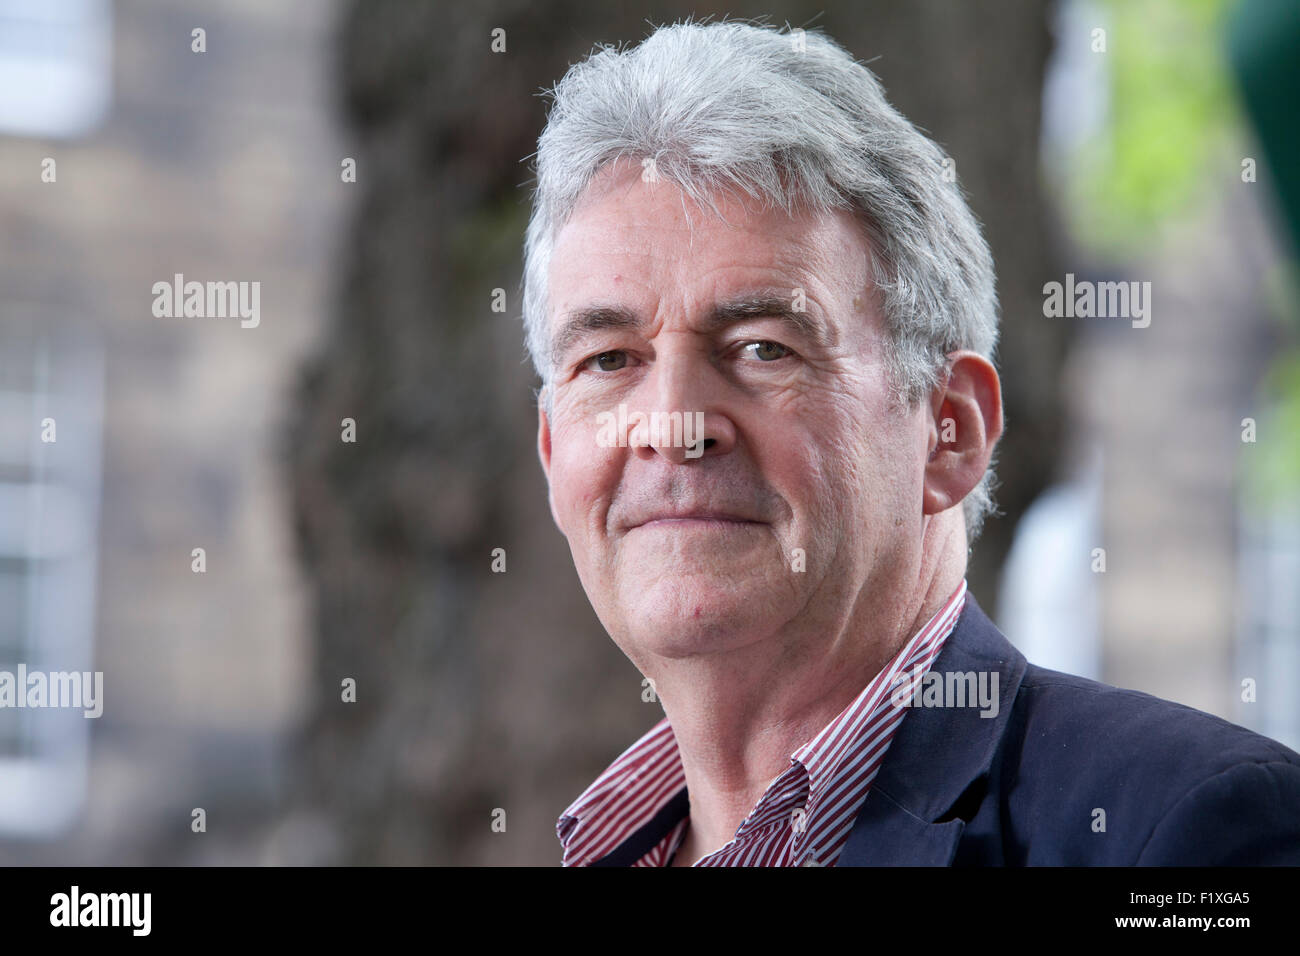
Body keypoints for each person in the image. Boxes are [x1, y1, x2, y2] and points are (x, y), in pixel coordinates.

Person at [519, 19, 1300, 865]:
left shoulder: (1194, 831)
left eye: (762, 348)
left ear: (950, 431)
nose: (672, 425)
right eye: (608, 360)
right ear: (555, 452)